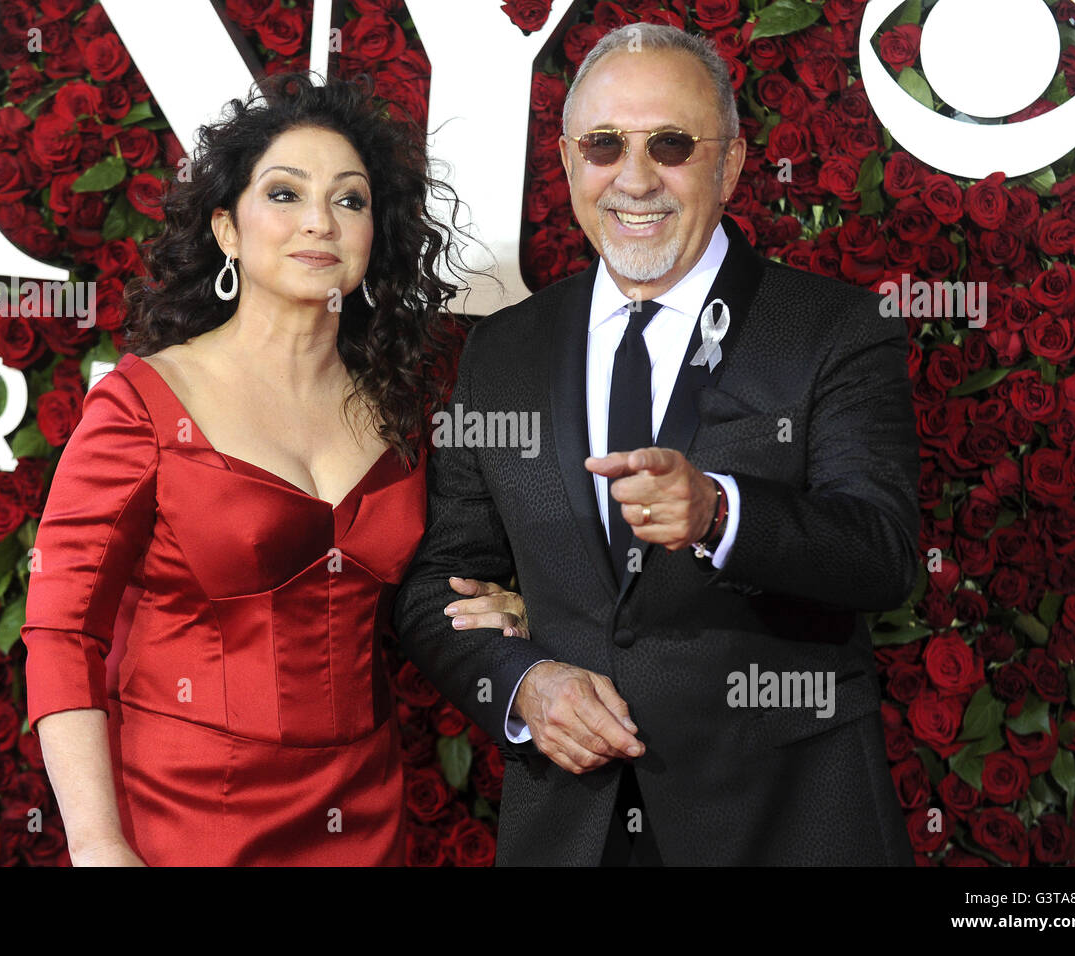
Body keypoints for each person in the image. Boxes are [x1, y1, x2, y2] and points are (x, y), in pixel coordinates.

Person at [393, 23, 920, 865]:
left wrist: (719, 513)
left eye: (671, 145)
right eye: (604, 146)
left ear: (733, 164)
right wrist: (524, 682)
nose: (635, 178)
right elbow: (438, 584)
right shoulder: (504, 351)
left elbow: (884, 556)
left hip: (784, 822)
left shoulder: (832, 328)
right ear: (567, 162)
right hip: (573, 827)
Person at [21, 72, 524, 866]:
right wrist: (95, 841)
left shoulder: (401, 415)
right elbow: (60, 631)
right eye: (285, 194)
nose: (320, 221)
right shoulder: (143, 402)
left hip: (363, 810)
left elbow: (421, 591)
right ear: (227, 229)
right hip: (186, 814)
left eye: (350, 200)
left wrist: (508, 604)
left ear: (374, 233)